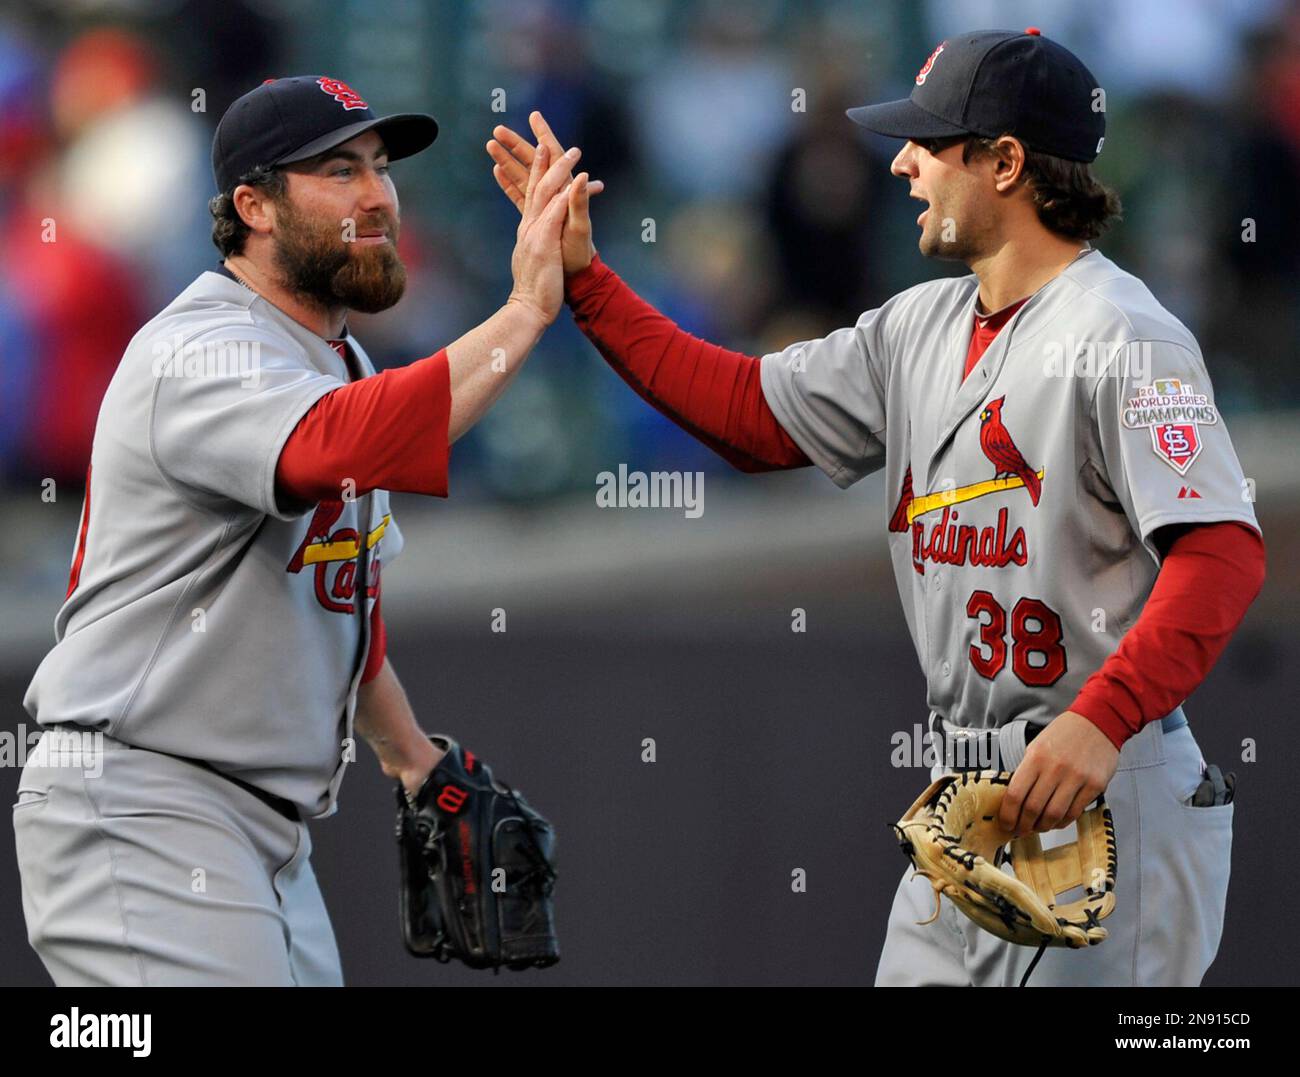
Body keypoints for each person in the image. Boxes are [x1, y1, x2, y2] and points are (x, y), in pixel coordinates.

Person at [486, 29, 1266, 986]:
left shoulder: (1126, 334)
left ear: (1007, 162)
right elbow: (748, 416)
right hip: (967, 791)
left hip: (1107, 777)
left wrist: (1104, 719)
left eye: (929, 141)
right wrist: (590, 285)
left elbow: (1222, 553)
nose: (900, 161)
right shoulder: (918, 325)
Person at [13, 75, 588, 986]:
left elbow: (342, 594)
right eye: (336, 169)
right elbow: (334, 445)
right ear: (254, 206)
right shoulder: (201, 346)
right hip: (141, 797)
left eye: (380, 166)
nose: (375, 195)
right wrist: (524, 312)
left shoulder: (340, 359)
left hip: (259, 830)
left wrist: (411, 757)